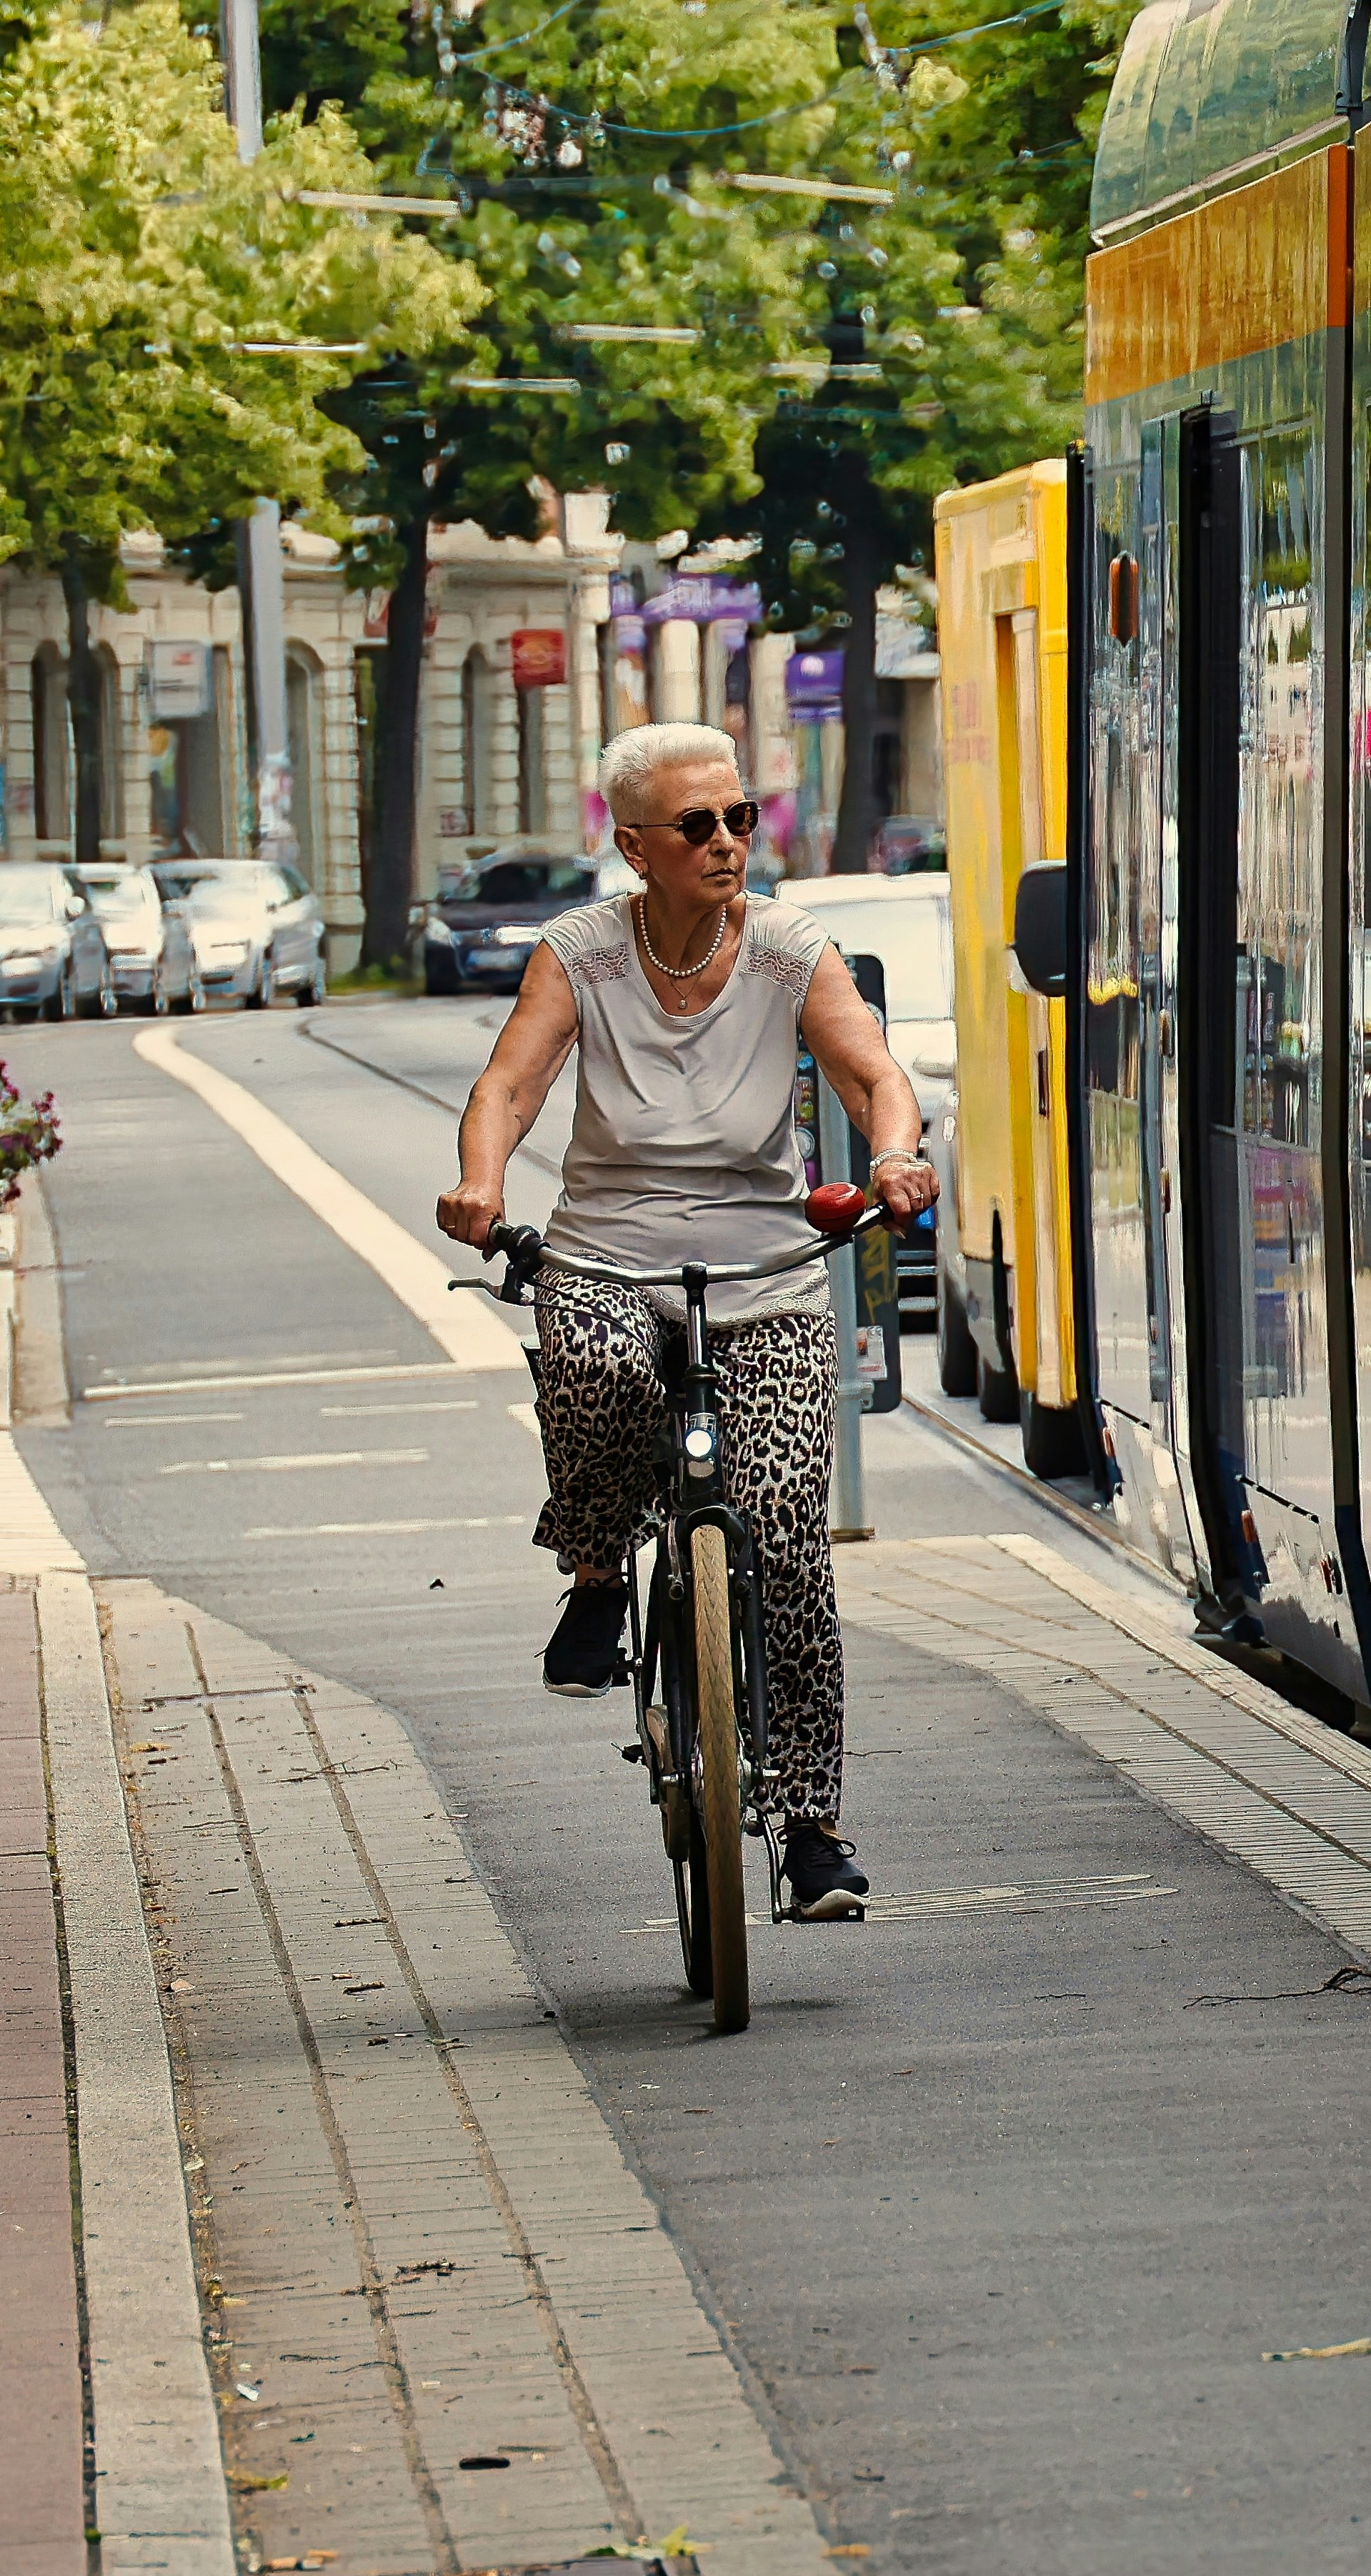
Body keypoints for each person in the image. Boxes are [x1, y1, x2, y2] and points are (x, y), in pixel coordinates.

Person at [439, 722, 937, 1919]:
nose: (727, 843)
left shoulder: (786, 949)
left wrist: (895, 1153)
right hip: (612, 1251)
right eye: (697, 827)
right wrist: (483, 1184)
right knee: (595, 1369)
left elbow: (873, 1071)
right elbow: (510, 1081)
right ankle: (602, 1573)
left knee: (785, 1536)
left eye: (738, 820)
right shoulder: (582, 954)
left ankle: (813, 1827)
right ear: (635, 848)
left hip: (766, 1260)